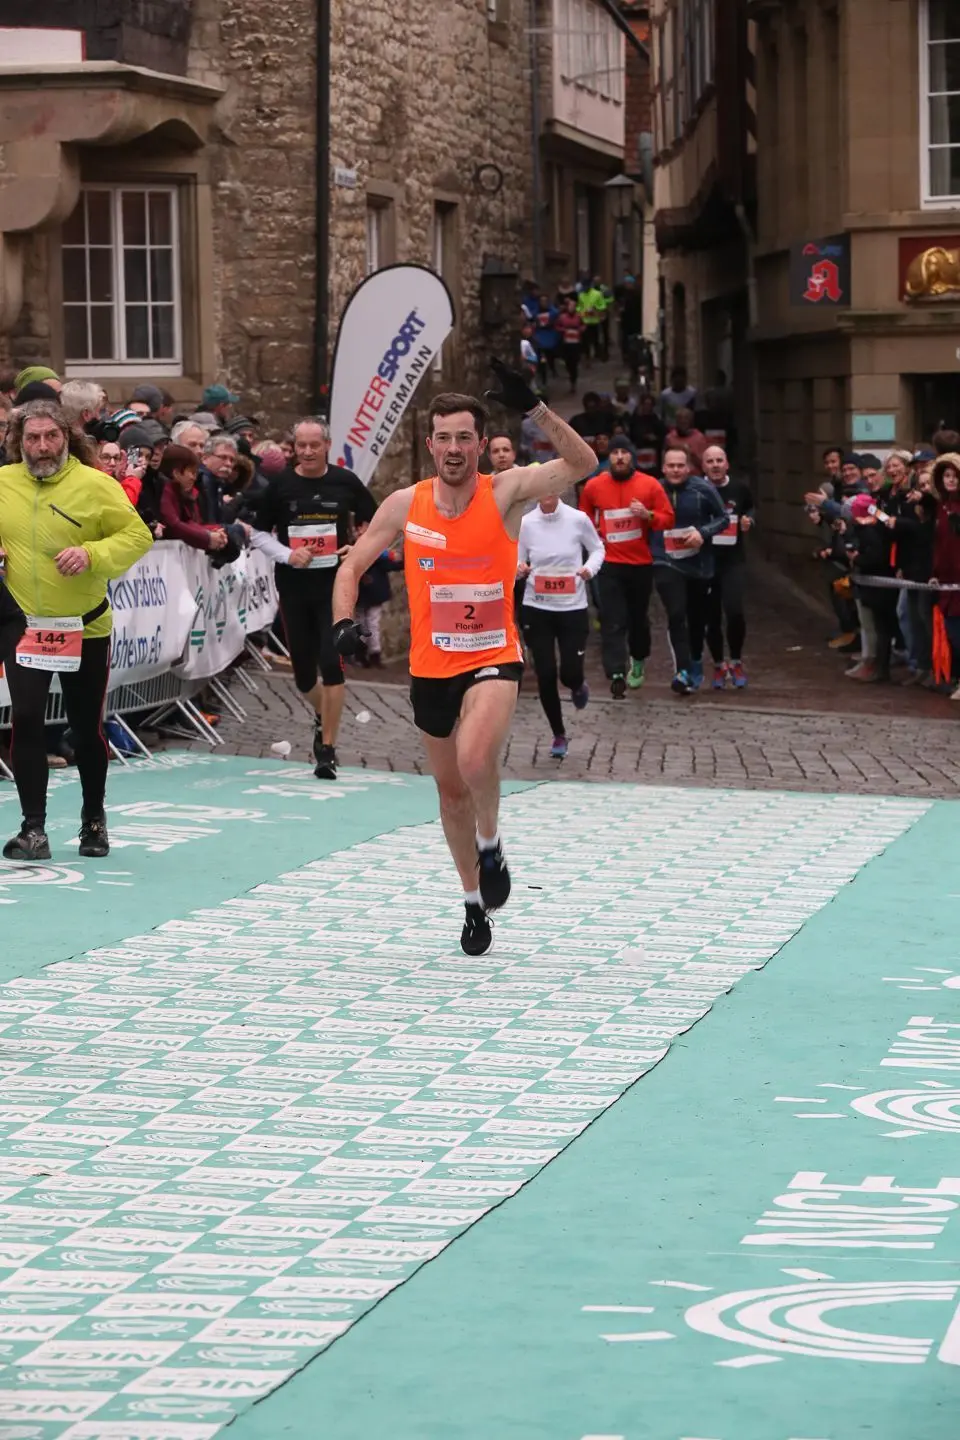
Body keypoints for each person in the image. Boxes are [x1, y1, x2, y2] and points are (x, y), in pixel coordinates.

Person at [330, 361, 596, 957]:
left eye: (464, 438)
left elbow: (582, 464)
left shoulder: (506, 492)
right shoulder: (406, 503)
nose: (454, 448)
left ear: (480, 444)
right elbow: (351, 566)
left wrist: (536, 409)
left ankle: (492, 842)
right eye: (444, 437)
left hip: (493, 654)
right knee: (450, 795)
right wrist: (343, 623)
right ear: (430, 445)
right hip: (431, 666)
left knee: (476, 759)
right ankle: (474, 903)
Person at [0, 401, 153, 860]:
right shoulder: (4, 482)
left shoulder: (96, 485)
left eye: (51, 436)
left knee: (85, 728)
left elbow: (138, 536)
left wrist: (91, 554)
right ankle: (33, 829)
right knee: (27, 718)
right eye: (32, 438)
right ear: (18, 442)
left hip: (84, 627)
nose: (42, 446)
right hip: (26, 627)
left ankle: (93, 819)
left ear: (67, 437)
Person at [256, 416, 376, 780]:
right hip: (294, 588)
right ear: (294, 448)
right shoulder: (280, 486)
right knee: (305, 675)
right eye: (301, 445)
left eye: (314, 445)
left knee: (331, 662)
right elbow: (258, 534)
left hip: (334, 588)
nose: (307, 452)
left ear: (327, 446)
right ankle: (324, 714)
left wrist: (357, 548)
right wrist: (288, 554)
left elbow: (375, 523)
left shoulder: (345, 481)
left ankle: (327, 749)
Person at [578, 437, 674, 696]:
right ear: (609, 457)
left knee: (637, 619)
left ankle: (638, 659)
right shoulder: (594, 486)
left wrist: (647, 515)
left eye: (624, 452)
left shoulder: (649, 485)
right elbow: (583, 518)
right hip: (609, 563)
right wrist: (593, 538)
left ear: (632, 456)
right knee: (612, 618)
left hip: (640, 564)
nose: (619, 457)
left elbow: (667, 519)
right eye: (615, 452)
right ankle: (616, 671)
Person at [517, 494, 604, 757]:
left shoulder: (578, 519)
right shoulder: (526, 523)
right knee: (545, 673)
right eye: (541, 487)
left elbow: (598, 549)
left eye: (552, 487)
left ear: (560, 489)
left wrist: (589, 569)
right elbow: (516, 558)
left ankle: (577, 685)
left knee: (569, 673)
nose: (546, 493)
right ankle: (558, 734)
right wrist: (519, 568)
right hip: (537, 608)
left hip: (572, 609)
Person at [649, 443, 728, 694]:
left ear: (689, 468)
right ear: (663, 468)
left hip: (697, 564)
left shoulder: (703, 489)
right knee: (676, 613)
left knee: (696, 619)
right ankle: (681, 671)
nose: (675, 470)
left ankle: (694, 662)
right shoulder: (653, 489)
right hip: (664, 560)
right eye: (671, 466)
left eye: (680, 466)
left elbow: (724, 518)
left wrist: (702, 533)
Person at [701, 444, 754, 689]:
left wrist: (749, 519)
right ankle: (719, 664)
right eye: (710, 461)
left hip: (733, 560)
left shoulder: (739, 488)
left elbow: (751, 507)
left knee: (734, 611)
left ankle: (736, 660)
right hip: (706, 561)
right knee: (710, 616)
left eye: (719, 460)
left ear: (727, 464)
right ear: (703, 466)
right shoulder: (697, 489)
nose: (715, 465)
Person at [158, 445, 231, 553]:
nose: (194, 478)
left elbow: (191, 523)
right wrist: (207, 538)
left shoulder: (185, 493)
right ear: (176, 473)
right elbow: (174, 525)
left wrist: (213, 532)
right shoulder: (167, 492)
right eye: (192, 472)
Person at [665, 406, 709, 472]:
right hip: (675, 473)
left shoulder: (699, 437)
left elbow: (704, 465)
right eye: (680, 418)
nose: (683, 421)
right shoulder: (670, 438)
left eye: (686, 418)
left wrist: (689, 453)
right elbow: (665, 463)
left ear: (691, 421)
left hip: (694, 475)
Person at [555, 297, 585, 392]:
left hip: (576, 343)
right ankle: (570, 374)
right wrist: (564, 330)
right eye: (570, 306)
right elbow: (557, 326)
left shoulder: (579, 316)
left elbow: (583, 325)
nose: (572, 308)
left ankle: (573, 382)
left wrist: (580, 330)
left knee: (574, 363)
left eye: (573, 306)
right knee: (568, 363)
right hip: (566, 344)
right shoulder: (562, 317)